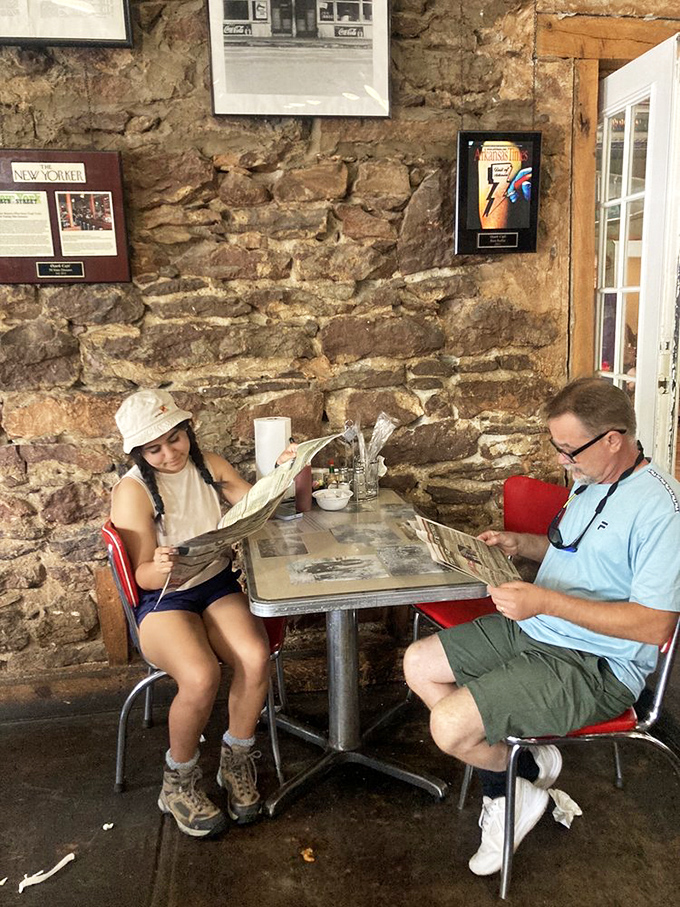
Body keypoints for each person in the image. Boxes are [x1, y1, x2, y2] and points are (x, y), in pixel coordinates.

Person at [404, 377, 680, 875]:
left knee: (448, 726)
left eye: (568, 449)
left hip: (599, 664)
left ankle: (510, 790)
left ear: (613, 439)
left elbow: (655, 627)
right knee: (419, 663)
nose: (561, 460)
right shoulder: (591, 478)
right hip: (539, 629)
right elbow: (578, 552)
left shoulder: (663, 510)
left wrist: (544, 601)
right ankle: (525, 774)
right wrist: (521, 545)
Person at [111, 388, 296, 838]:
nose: (169, 453)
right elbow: (141, 578)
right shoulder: (132, 491)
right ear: (138, 453)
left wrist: (283, 471)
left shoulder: (208, 464)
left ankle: (236, 759)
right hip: (163, 599)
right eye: (154, 449)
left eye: (175, 439)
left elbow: (256, 505)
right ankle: (177, 780)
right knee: (200, 677)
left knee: (254, 658)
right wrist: (158, 565)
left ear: (187, 431)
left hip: (214, 583)